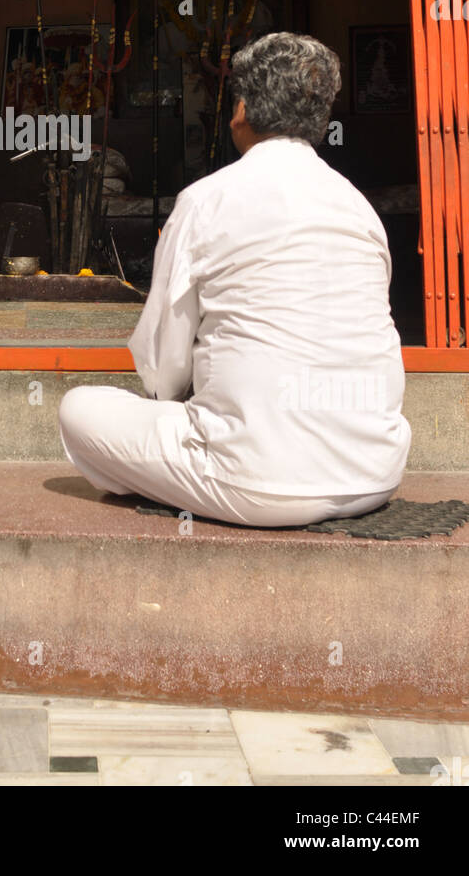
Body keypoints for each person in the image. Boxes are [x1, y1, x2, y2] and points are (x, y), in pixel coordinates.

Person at [59, 32, 411, 528]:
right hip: (376, 472)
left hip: (255, 481)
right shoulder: (359, 207)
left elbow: (164, 372)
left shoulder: (207, 199)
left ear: (242, 110)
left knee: (80, 410)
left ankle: (184, 478)